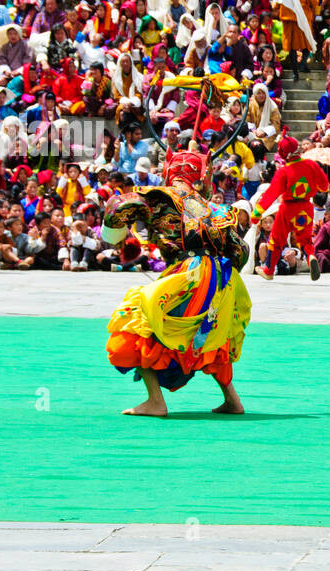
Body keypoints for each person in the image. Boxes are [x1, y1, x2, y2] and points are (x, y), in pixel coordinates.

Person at [102, 148, 252, 416]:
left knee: (139, 321)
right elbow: (240, 250)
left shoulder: (159, 197)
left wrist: (119, 237)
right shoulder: (215, 208)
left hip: (186, 272)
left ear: (169, 171)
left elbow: (116, 208)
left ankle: (155, 401)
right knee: (210, 333)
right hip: (219, 277)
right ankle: (232, 400)